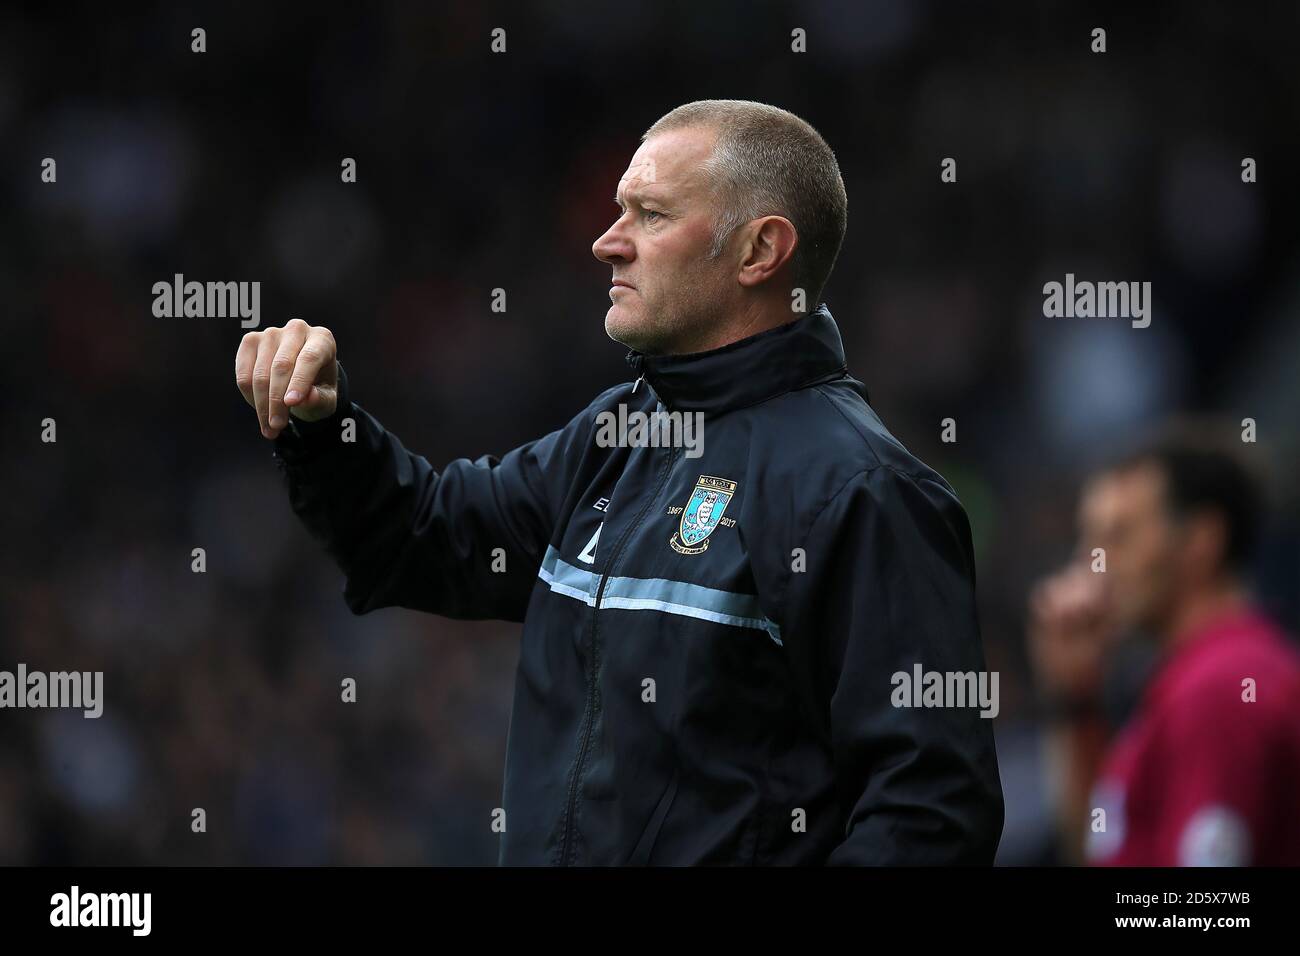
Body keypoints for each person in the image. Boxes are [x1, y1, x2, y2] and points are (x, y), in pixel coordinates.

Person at [235, 99, 1003, 865]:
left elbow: (929, 816)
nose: (607, 243)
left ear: (759, 251)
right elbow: (424, 539)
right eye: (617, 211)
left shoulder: (863, 492)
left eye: (651, 215)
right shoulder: (620, 433)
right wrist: (325, 426)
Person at [1029, 426, 1300, 865]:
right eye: (1089, 539)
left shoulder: (1221, 691)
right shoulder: (1194, 678)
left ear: (1200, 541)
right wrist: (1073, 700)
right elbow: (1101, 855)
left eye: (1118, 536)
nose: (1090, 562)